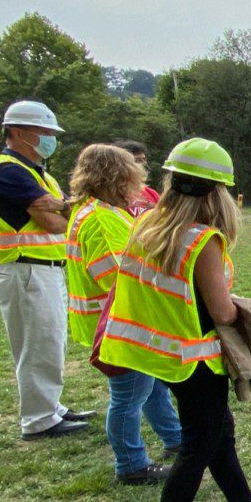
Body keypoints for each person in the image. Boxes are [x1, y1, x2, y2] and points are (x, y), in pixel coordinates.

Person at [100, 138, 251, 502]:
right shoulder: (201, 240)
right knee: (199, 445)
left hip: (162, 354)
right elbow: (221, 312)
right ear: (214, 192)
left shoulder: (147, 225)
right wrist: (243, 308)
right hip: (195, 358)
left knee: (218, 430)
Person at [65, 143, 181, 484]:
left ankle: (176, 438)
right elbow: (118, 277)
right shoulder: (99, 219)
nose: (137, 184)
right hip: (119, 322)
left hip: (126, 319)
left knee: (151, 386)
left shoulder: (100, 211)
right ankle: (131, 465)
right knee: (129, 396)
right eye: (133, 176)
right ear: (117, 178)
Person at [0, 100, 91, 440]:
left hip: (43, 268)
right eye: (43, 131)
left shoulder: (39, 174)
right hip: (25, 267)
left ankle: (50, 406)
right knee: (37, 343)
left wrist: (59, 208)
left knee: (50, 340)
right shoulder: (8, 170)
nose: (49, 138)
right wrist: (64, 207)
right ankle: (39, 419)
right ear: (17, 132)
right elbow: (53, 220)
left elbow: (57, 216)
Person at [114, 140, 161, 216]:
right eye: (137, 160)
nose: (144, 164)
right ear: (121, 165)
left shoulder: (152, 193)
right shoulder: (113, 195)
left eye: (144, 159)